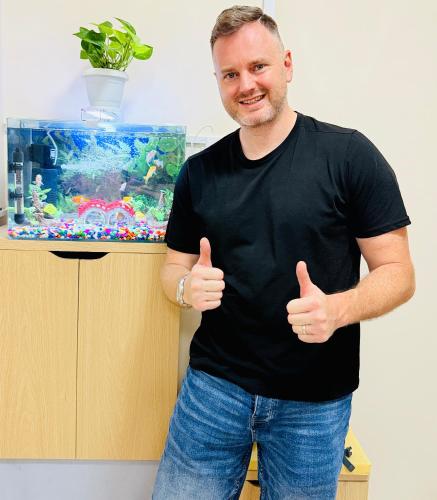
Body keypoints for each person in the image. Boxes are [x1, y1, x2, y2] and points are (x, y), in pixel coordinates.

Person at [152, 5, 415, 500]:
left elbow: (398, 272)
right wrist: (186, 288)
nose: (246, 85)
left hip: (313, 402)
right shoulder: (199, 172)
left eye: (258, 66)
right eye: (230, 74)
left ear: (287, 64)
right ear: (218, 82)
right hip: (213, 390)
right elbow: (172, 269)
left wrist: (338, 309)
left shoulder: (349, 156)